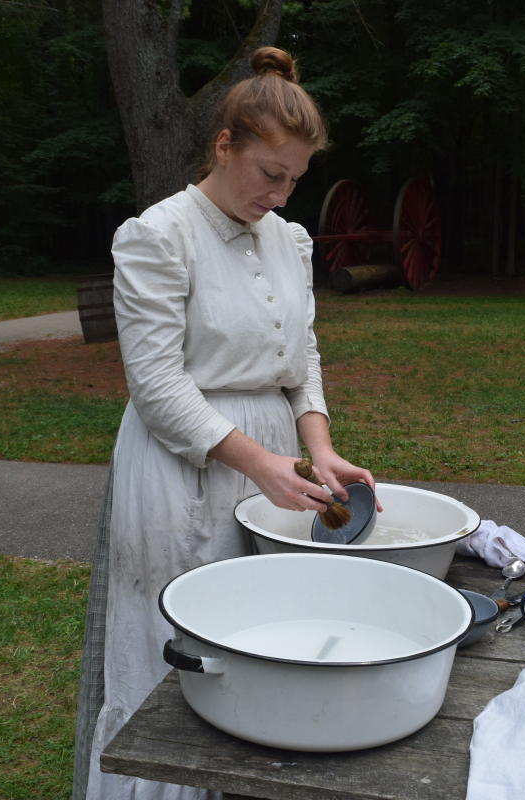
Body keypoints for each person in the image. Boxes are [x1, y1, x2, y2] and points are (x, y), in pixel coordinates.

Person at [73, 46, 377, 800]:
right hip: (183, 466)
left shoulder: (291, 240)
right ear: (223, 145)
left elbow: (298, 354)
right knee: (178, 649)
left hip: (271, 458)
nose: (279, 195)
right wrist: (260, 465)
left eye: (294, 181)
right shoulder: (158, 236)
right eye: (268, 174)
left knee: (261, 639)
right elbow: (156, 387)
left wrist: (318, 447)